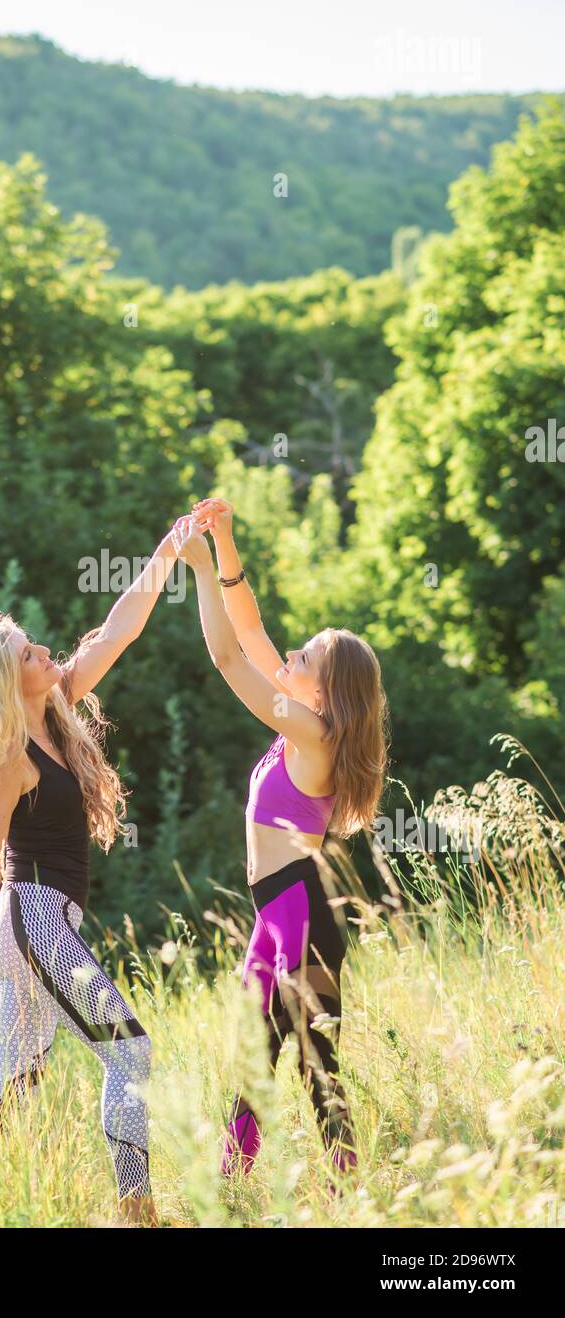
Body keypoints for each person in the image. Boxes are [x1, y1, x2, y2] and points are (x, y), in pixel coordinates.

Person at [0, 530, 179, 1226]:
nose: (46, 654)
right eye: (29, 654)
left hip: (45, 923)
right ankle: (137, 1212)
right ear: (8, 681)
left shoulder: (58, 708)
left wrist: (169, 551)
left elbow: (119, 629)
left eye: (38, 648)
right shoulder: (5, 759)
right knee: (130, 1052)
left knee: (12, 1088)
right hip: (29, 919)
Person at [174, 498, 388, 1180]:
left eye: (304, 657)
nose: (288, 656)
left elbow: (227, 657)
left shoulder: (314, 737)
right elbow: (249, 630)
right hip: (283, 912)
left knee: (305, 1062)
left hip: (297, 914)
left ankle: (271, 1184)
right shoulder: (301, 724)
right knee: (277, 1056)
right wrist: (225, 546)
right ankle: (254, 1183)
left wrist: (202, 574)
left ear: (325, 692)